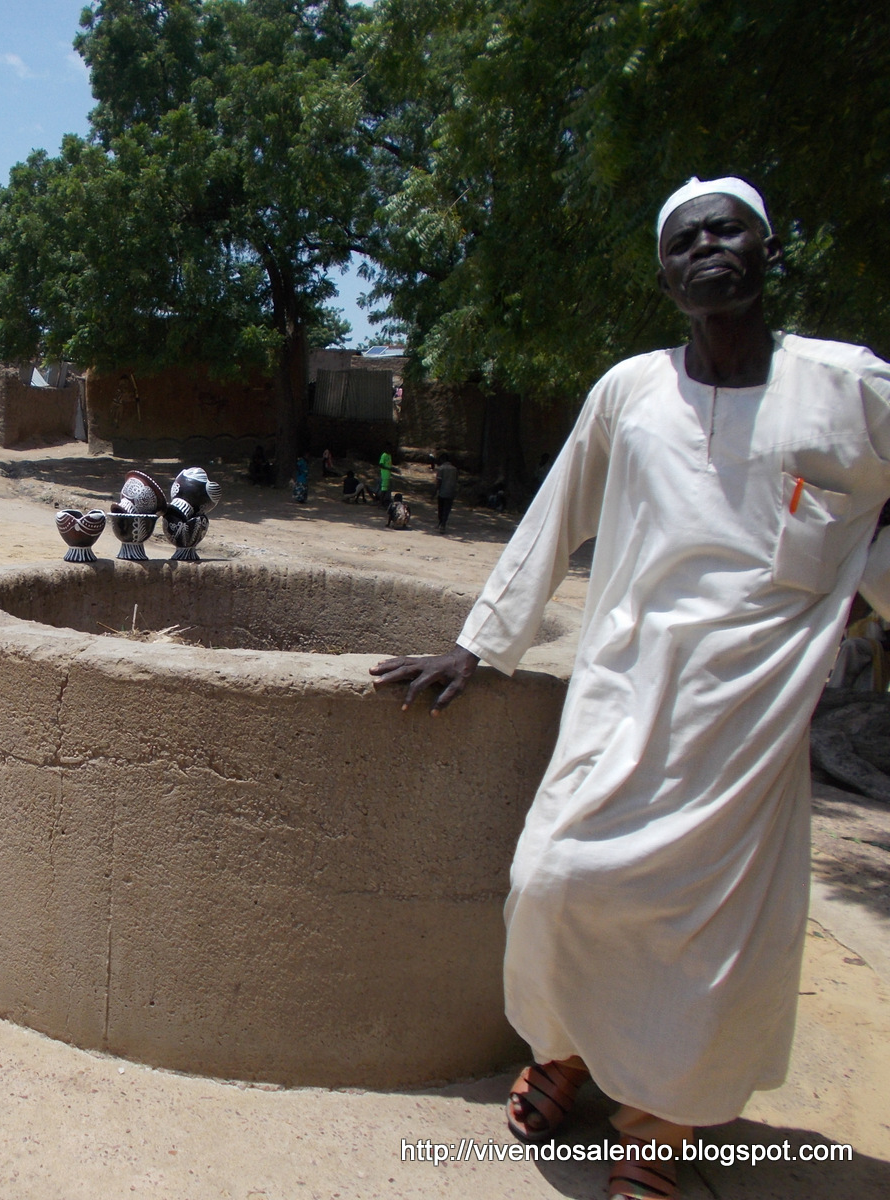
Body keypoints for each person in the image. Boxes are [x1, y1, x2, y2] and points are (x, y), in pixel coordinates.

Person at [369, 176, 890, 1200]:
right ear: (665, 273)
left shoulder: (847, 383)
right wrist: (481, 644)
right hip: (626, 676)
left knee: (712, 935)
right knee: (555, 880)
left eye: (727, 229)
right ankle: (565, 1050)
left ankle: (664, 1126)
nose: (707, 247)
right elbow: (559, 510)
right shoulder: (630, 389)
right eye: (684, 238)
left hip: (754, 704)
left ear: (767, 249)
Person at [433, 455, 460, 530]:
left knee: (441, 508)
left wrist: (435, 491)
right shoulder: (455, 469)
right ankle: (443, 523)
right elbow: (456, 481)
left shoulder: (441, 468)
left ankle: (441, 522)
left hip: (442, 492)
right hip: (451, 492)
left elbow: (439, 481)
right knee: (447, 509)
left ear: (442, 460)